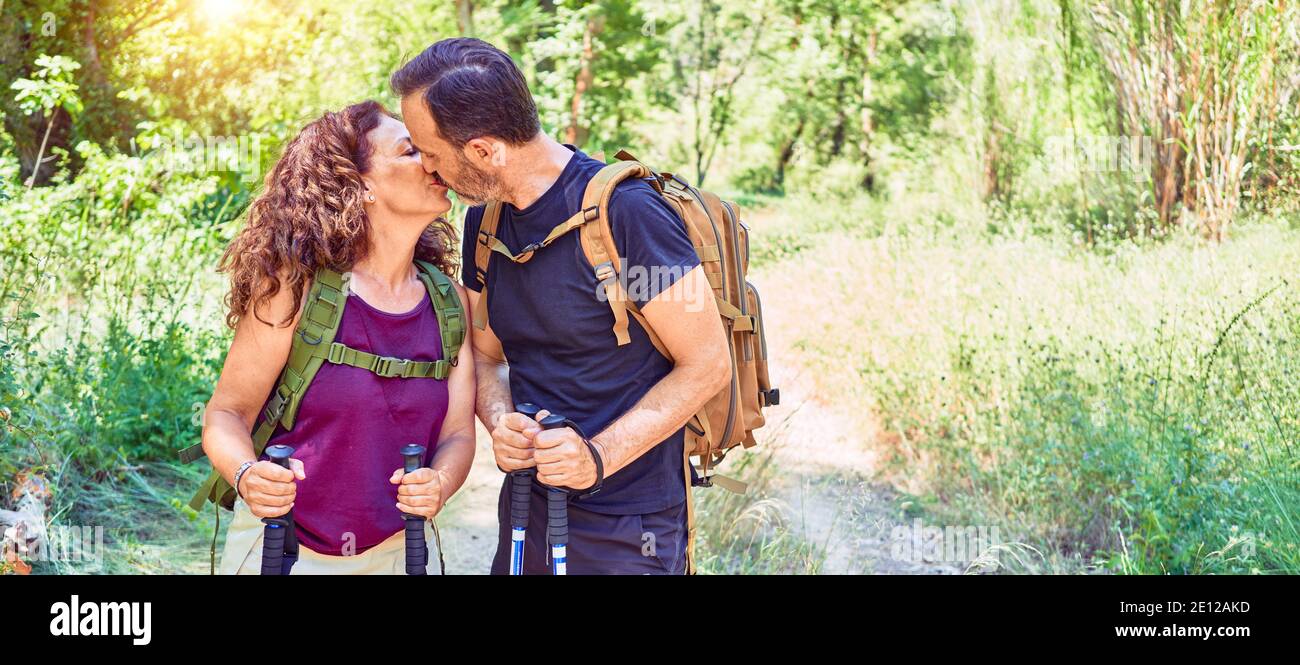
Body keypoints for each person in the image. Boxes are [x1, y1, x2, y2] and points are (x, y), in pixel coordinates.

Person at [391, 38, 729, 574]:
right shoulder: (486, 224)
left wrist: (595, 459)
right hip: (528, 509)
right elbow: (487, 357)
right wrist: (502, 421)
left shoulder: (630, 215)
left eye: (431, 153)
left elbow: (708, 363)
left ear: (483, 151)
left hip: (632, 523)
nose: (429, 169)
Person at [200, 100, 476, 574]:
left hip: (397, 552)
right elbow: (226, 414)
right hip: (282, 552)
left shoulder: (447, 299)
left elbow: (457, 433)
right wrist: (248, 476)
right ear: (361, 184)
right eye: (411, 152)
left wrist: (441, 483)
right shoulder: (297, 288)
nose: (433, 162)